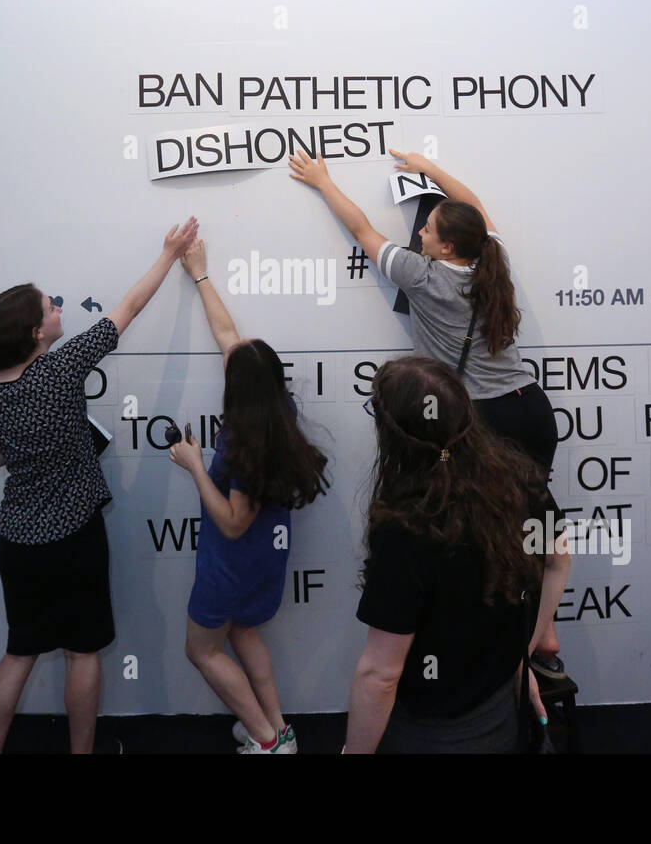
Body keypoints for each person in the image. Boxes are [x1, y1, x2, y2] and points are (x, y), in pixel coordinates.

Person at [289, 147, 567, 676]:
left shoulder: (422, 275)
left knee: (491, 537)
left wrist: (323, 181)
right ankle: (546, 632)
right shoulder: (493, 261)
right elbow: (476, 207)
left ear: (443, 246)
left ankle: (509, 648)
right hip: (531, 411)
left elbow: (362, 229)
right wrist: (433, 172)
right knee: (536, 525)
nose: (418, 233)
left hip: (486, 424)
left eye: (428, 227)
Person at [0, 218, 198, 755]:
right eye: (50, 308)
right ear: (36, 333)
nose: (59, 309)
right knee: (82, 654)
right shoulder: (60, 370)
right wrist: (169, 254)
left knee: (18, 653)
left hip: (17, 546)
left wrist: (15, 452)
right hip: (74, 540)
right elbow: (129, 308)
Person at [343, 357, 572, 753]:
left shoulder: (406, 527)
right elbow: (560, 556)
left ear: (396, 434)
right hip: (505, 715)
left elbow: (380, 675)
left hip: (435, 732)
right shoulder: (518, 481)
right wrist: (521, 656)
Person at [167, 239, 328, 754]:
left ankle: (264, 741)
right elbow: (228, 335)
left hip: (232, 560)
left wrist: (195, 466)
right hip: (266, 560)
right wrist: (200, 276)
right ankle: (279, 728)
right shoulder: (280, 407)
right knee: (242, 635)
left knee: (201, 649)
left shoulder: (241, 440)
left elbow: (234, 521)